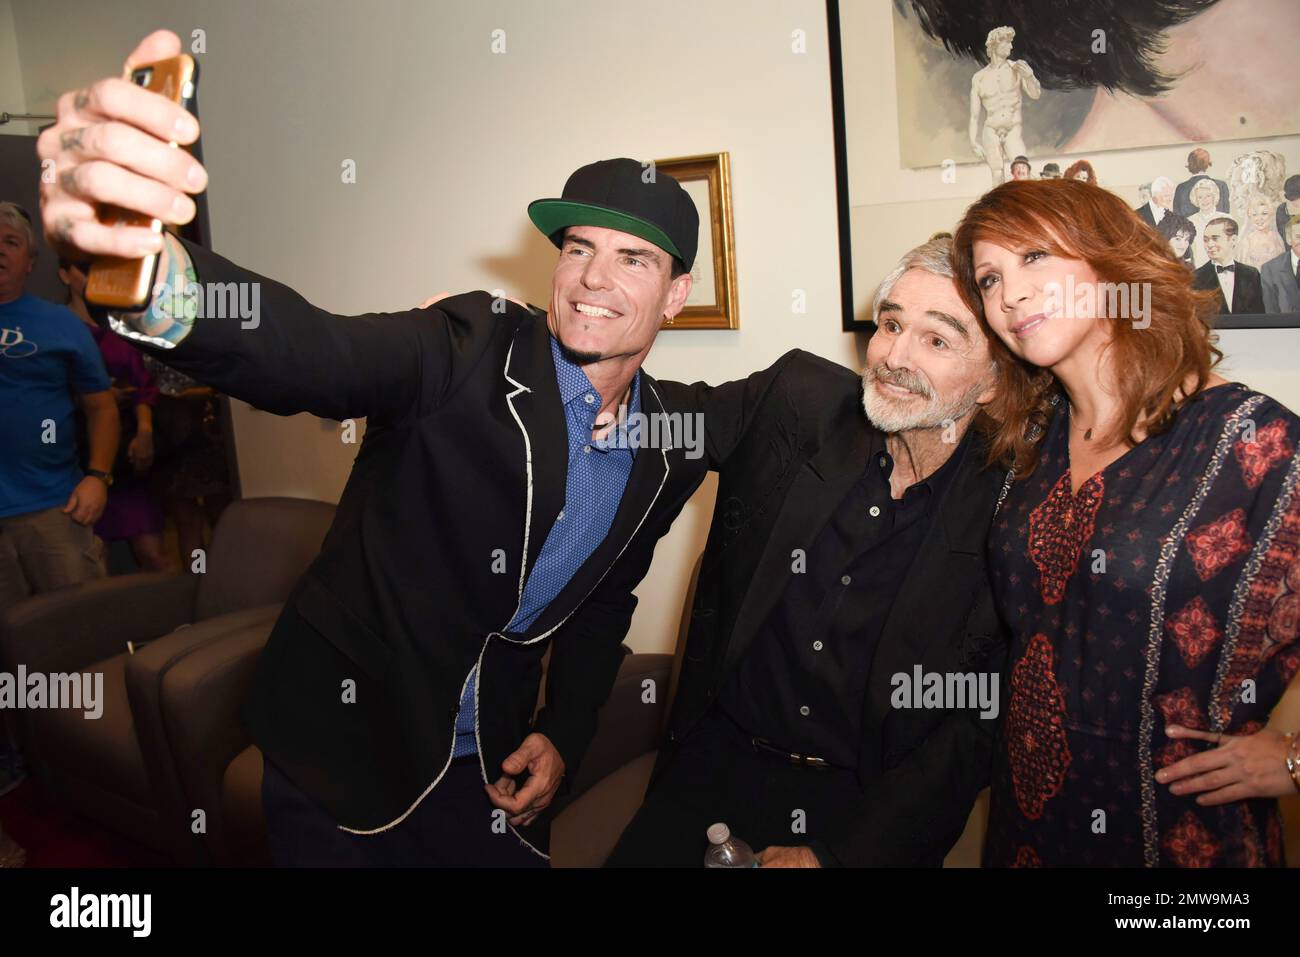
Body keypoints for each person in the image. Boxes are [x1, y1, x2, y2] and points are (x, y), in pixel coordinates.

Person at [39, 30, 709, 867]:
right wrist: (152, 275)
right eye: (578, 248)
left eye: (632, 259)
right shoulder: (467, 345)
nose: (593, 279)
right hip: (343, 744)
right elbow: (313, 350)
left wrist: (561, 734)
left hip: (485, 760)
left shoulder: (664, 447)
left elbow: (605, 603)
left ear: (677, 294)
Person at [606, 234, 1007, 867]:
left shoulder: (1012, 509)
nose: (895, 356)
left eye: (937, 339)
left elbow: (971, 733)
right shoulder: (799, 402)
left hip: (861, 810)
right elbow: (656, 420)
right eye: (891, 323)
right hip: (712, 766)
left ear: (991, 380)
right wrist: (526, 351)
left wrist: (834, 856)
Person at [953, 178, 1300, 867]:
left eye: (1034, 257)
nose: (1010, 294)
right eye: (989, 278)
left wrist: (1293, 755)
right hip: (1027, 827)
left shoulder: (1252, 441)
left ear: (1110, 264)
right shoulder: (1027, 447)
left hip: (1182, 838)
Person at [0, 201, 118, 610]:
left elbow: (101, 407)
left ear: (29, 262)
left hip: (53, 507)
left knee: (78, 631)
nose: (0, 250)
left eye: (10, 242)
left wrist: (98, 478)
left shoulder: (60, 324)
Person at [58, 259, 171, 573]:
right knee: (95, 555)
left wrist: (145, 432)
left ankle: (180, 618)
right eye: (82, 272)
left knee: (152, 550)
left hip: (126, 449)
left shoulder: (119, 324)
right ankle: (109, 620)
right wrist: (94, 398)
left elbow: (142, 383)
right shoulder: (57, 328)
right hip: (79, 450)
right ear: (64, 274)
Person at [968, 26, 1041, 186]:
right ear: (995, 45)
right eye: (1007, 43)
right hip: (991, 129)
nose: (1011, 46)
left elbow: (1035, 94)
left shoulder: (1017, 68)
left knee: (1023, 172)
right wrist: (973, 141)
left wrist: (1030, 77)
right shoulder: (979, 78)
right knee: (997, 173)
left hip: (1012, 128)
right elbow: (974, 116)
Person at [1192, 217, 1265, 315]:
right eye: (1206, 240)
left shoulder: (1251, 274)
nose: (1209, 244)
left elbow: (1260, 314)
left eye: (1215, 238)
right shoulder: (1197, 277)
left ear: (1233, 240)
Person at [1187, 177, 1232, 268]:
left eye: (1208, 196)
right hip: (1200, 269)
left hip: (1224, 268)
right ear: (1195, 199)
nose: (1204, 200)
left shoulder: (1227, 219)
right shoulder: (1190, 221)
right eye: (1200, 197)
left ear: (1214, 196)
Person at [1261, 215, 1300, 315]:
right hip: (1283, 329)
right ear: (1289, 239)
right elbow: (1270, 312)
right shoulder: (1270, 269)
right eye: (1298, 237)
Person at [1175, 148, 1231, 218]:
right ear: (1208, 164)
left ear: (1189, 165)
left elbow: (1176, 220)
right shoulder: (1221, 185)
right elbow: (1226, 217)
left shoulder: (1181, 188)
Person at [1237, 194, 1285, 270]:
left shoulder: (1277, 239)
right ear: (1250, 217)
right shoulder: (1247, 241)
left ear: (1271, 214)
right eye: (1255, 215)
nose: (1259, 218)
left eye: (1264, 213)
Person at [1276, 176, 1300, 246]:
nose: (1294, 202)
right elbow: (1284, 236)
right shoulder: (1282, 209)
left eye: (1296, 198)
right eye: (1291, 199)